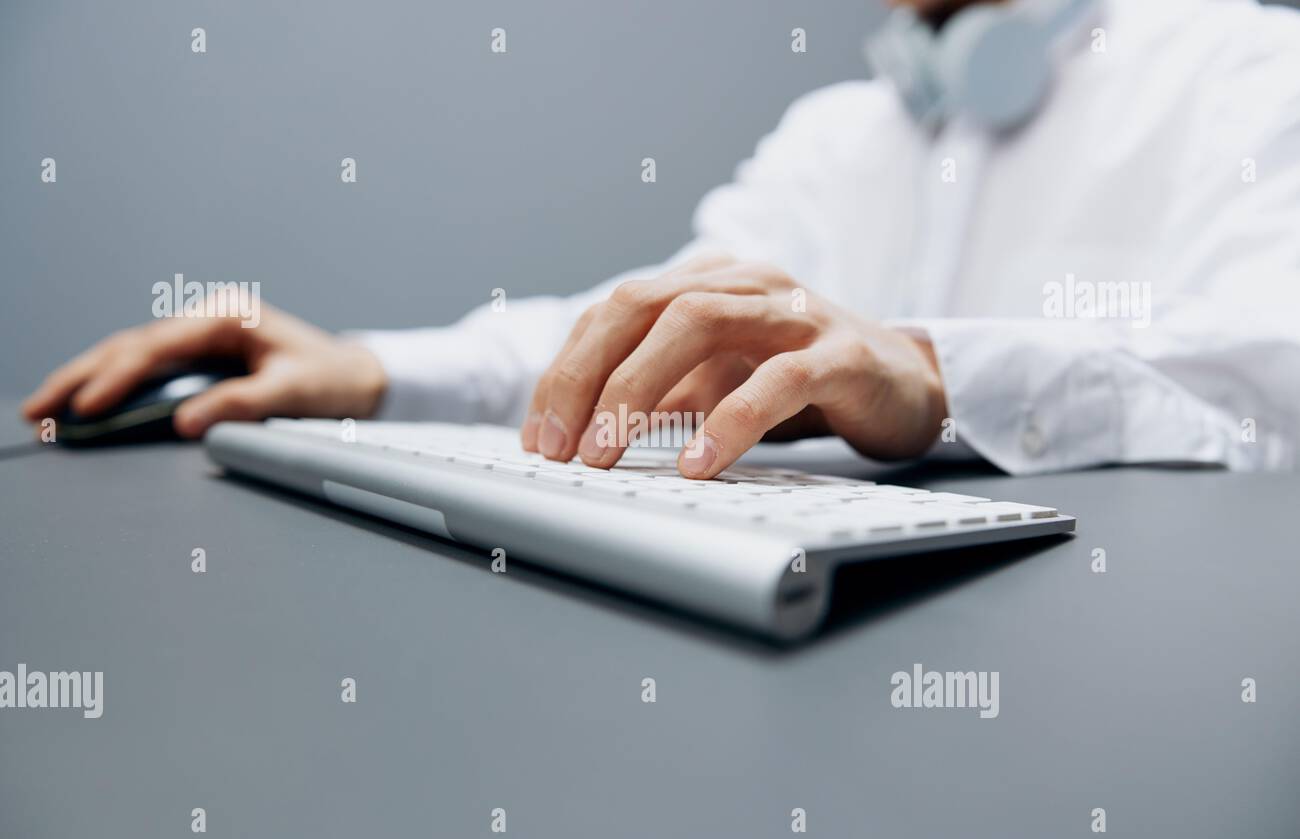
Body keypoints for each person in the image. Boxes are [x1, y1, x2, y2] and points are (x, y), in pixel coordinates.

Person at [21, 0, 1300, 478]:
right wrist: (368, 371)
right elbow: (652, 331)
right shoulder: (842, 130)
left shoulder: (1253, 68)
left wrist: (925, 370)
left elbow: (1266, 389)